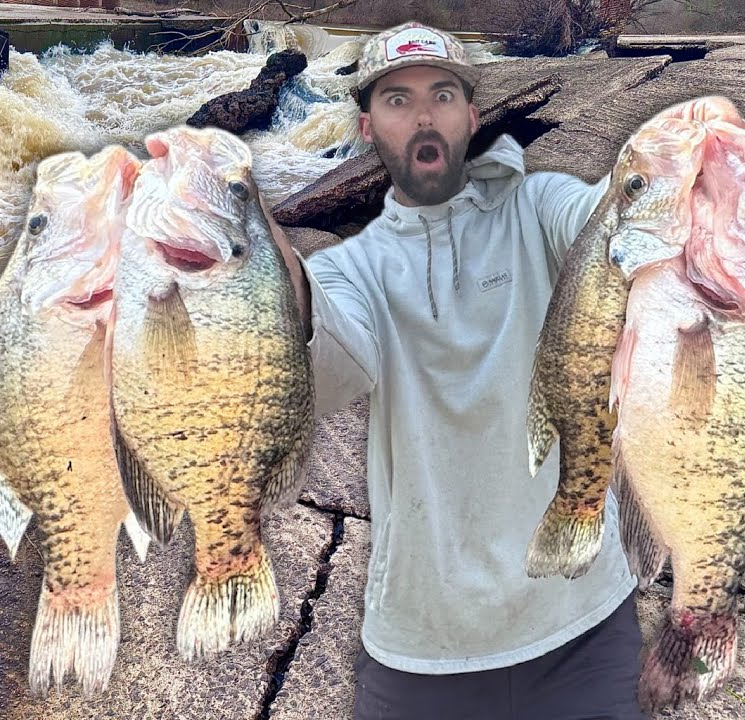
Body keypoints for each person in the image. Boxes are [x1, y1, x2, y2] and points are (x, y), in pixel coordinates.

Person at [270, 21, 645, 720]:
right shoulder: (353, 269)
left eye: (442, 94)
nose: (422, 115)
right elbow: (325, 370)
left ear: (473, 117)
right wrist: (255, 251)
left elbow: (611, 220)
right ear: (364, 129)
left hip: (582, 621)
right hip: (423, 648)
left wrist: (668, 171)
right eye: (397, 99)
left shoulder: (538, 206)